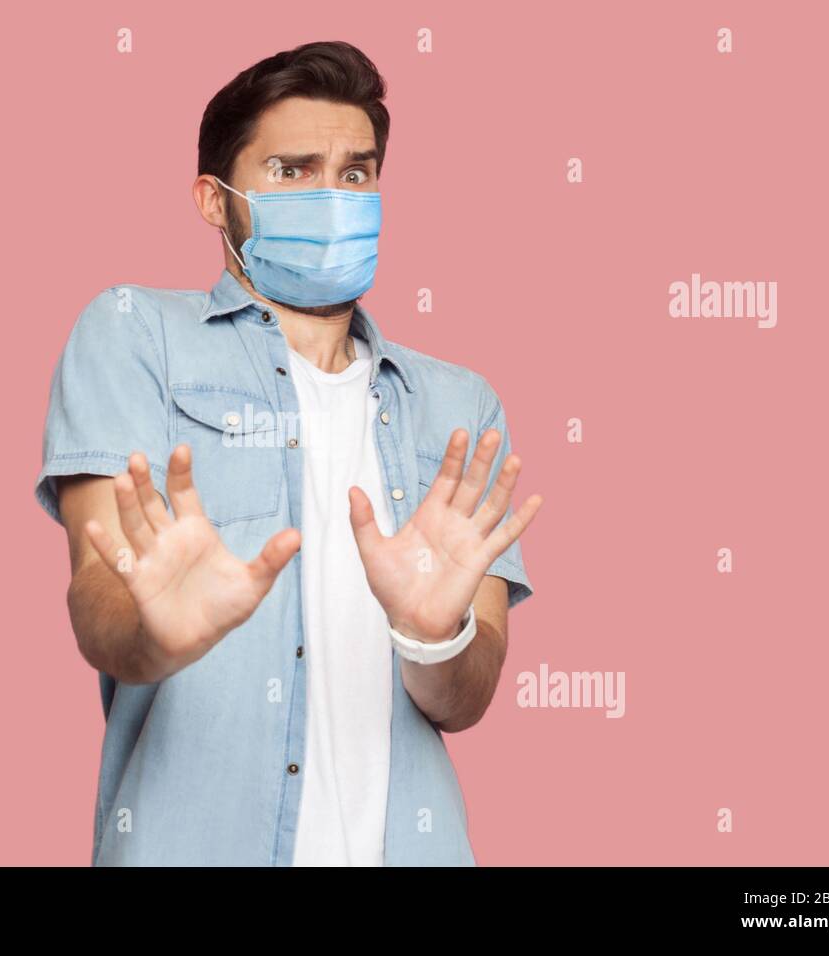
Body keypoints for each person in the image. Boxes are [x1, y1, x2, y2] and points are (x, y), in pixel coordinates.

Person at [34, 40, 543, 866]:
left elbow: (465, 699)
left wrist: (432, 636)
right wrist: (156, 633)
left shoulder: (460, 406)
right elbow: (101, 600)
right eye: (292, 170)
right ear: (215, 198)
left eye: (354, 174)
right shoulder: (134, 336)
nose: (331, 198)